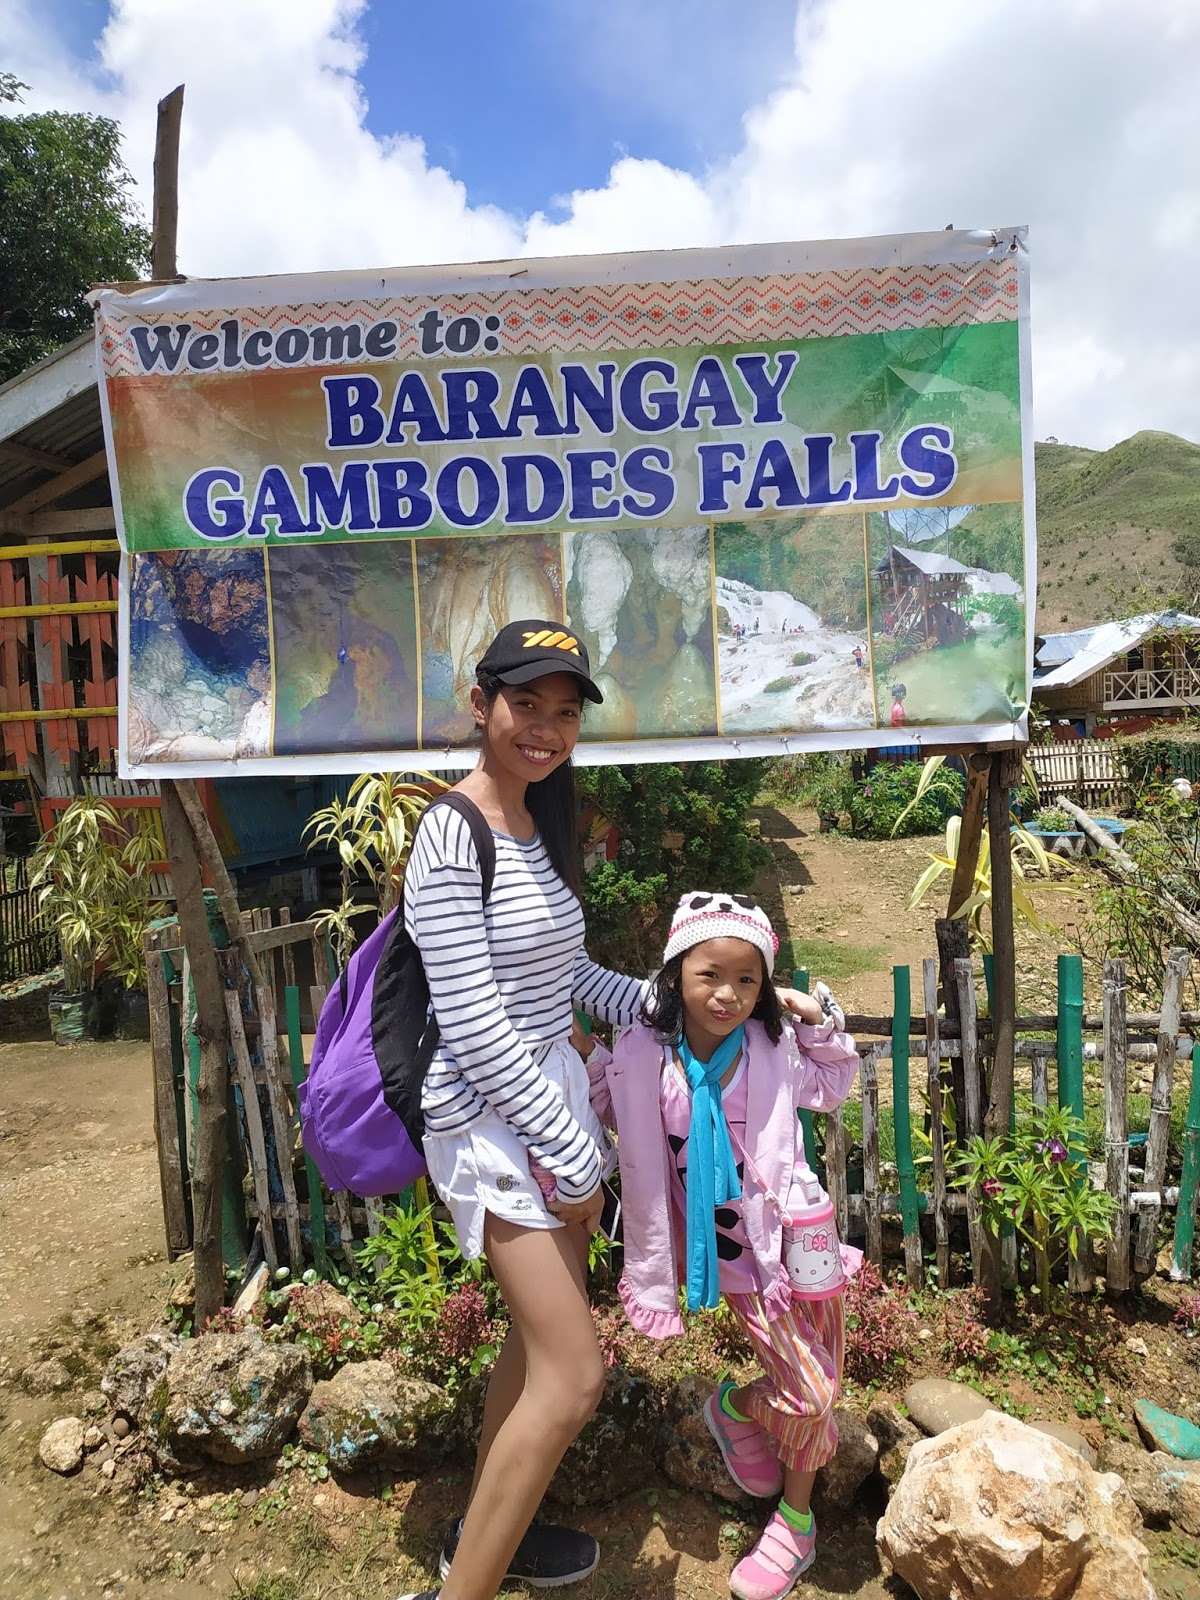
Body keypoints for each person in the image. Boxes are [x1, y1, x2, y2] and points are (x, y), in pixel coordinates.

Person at [396, 619, 650, 1600]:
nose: (545, 727)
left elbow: (562, 973)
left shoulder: (537, 823)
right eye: (525, 703)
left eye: (564, 709)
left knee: (536, 1347)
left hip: (548, 1106)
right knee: (576, 1376)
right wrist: (573, 1163)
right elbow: (471, 1023)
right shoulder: (452, 835)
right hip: (492, 1125)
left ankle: (485, 1535)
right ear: (481, 702)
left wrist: (651, 999)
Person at [579, 894, 860, 1600]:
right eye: (710, 975)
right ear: (674, 976)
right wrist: (585, 1052)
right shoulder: (647, 1056)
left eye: (747, 980)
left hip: (806, 1235)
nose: (728, 994)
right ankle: (739, 1410)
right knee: (814, 1391)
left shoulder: (774, 1046)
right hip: (739, 1257)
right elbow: (610, 1109)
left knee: (824, 1373)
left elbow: (833, 1089)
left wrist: (819, 1020)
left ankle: (793, 1515)